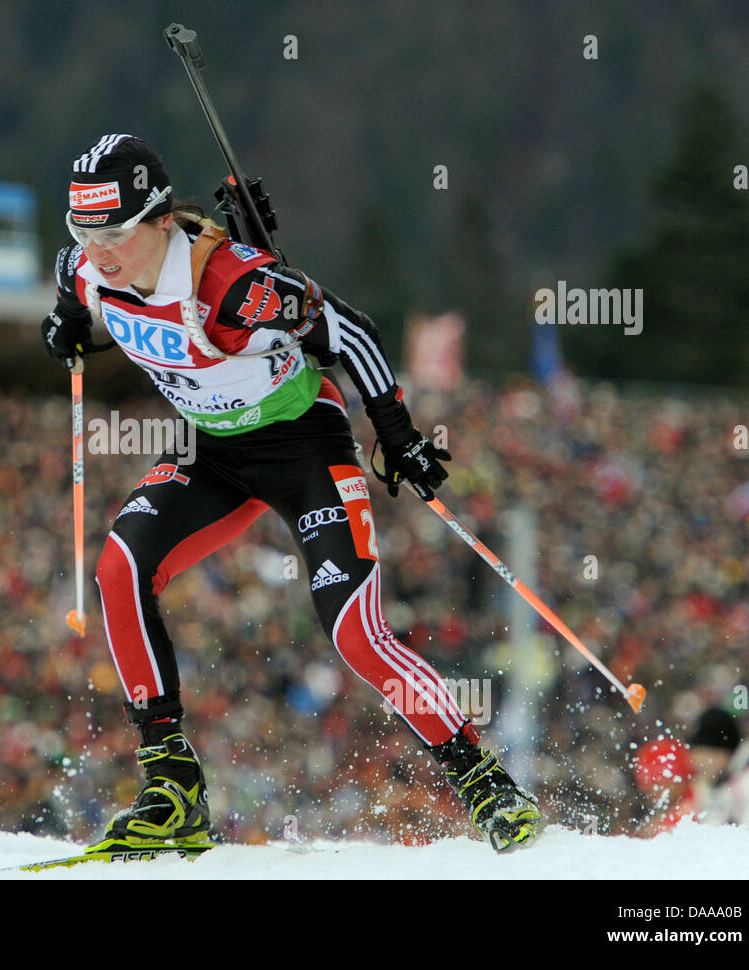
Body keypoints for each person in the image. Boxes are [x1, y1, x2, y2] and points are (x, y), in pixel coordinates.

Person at [40, 133, 542, 852]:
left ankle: (488, 787)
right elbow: (68, 277)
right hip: (215, 453)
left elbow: (354, 333)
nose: (98, 250)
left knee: (353, 633)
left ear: (160, 221)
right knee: (119, 567)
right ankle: (172, 790)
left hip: (304, 448)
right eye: (83, 231)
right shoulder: (89, 267)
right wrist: (64, 323)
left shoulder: (232, 285)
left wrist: (397, 435)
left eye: (113, 232)